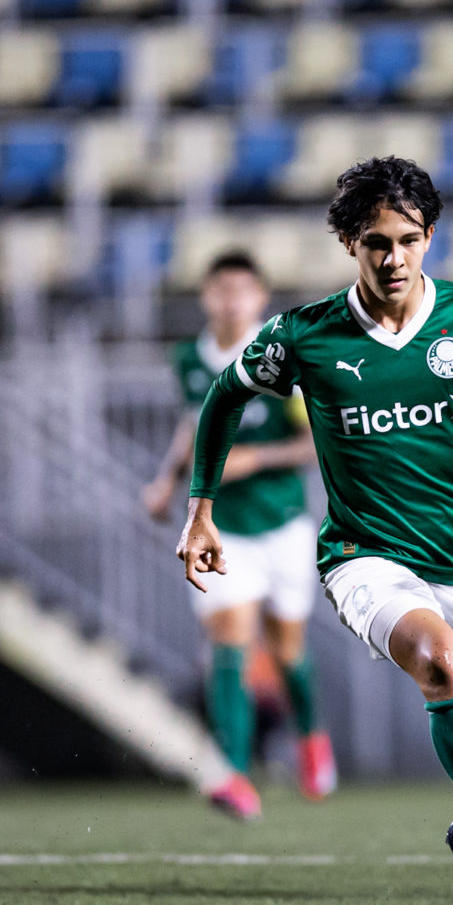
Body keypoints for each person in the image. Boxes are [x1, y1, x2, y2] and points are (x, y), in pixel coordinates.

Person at [175, 156, 453, 905]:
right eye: (376, 242)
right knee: (442, 666)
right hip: (364, 556)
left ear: (429, 238)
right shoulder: (305, 336)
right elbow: (224, 397)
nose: (393, 258)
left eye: (408, 240)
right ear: (350, 243)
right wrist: (200, 508)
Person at [143, 250, 336, 820]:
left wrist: (255, 459)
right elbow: (190, 426)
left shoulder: (281, 358)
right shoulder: (189, 361)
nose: (230, 300)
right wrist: (166, 479)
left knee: (286, 648)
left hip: (281, 523)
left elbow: (315, 442)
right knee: (228, 641)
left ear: (259, 298)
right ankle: (232, 772)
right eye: (219, 289)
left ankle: (312, 736)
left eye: (241, 290)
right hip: (219, 525)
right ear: (205, 296)